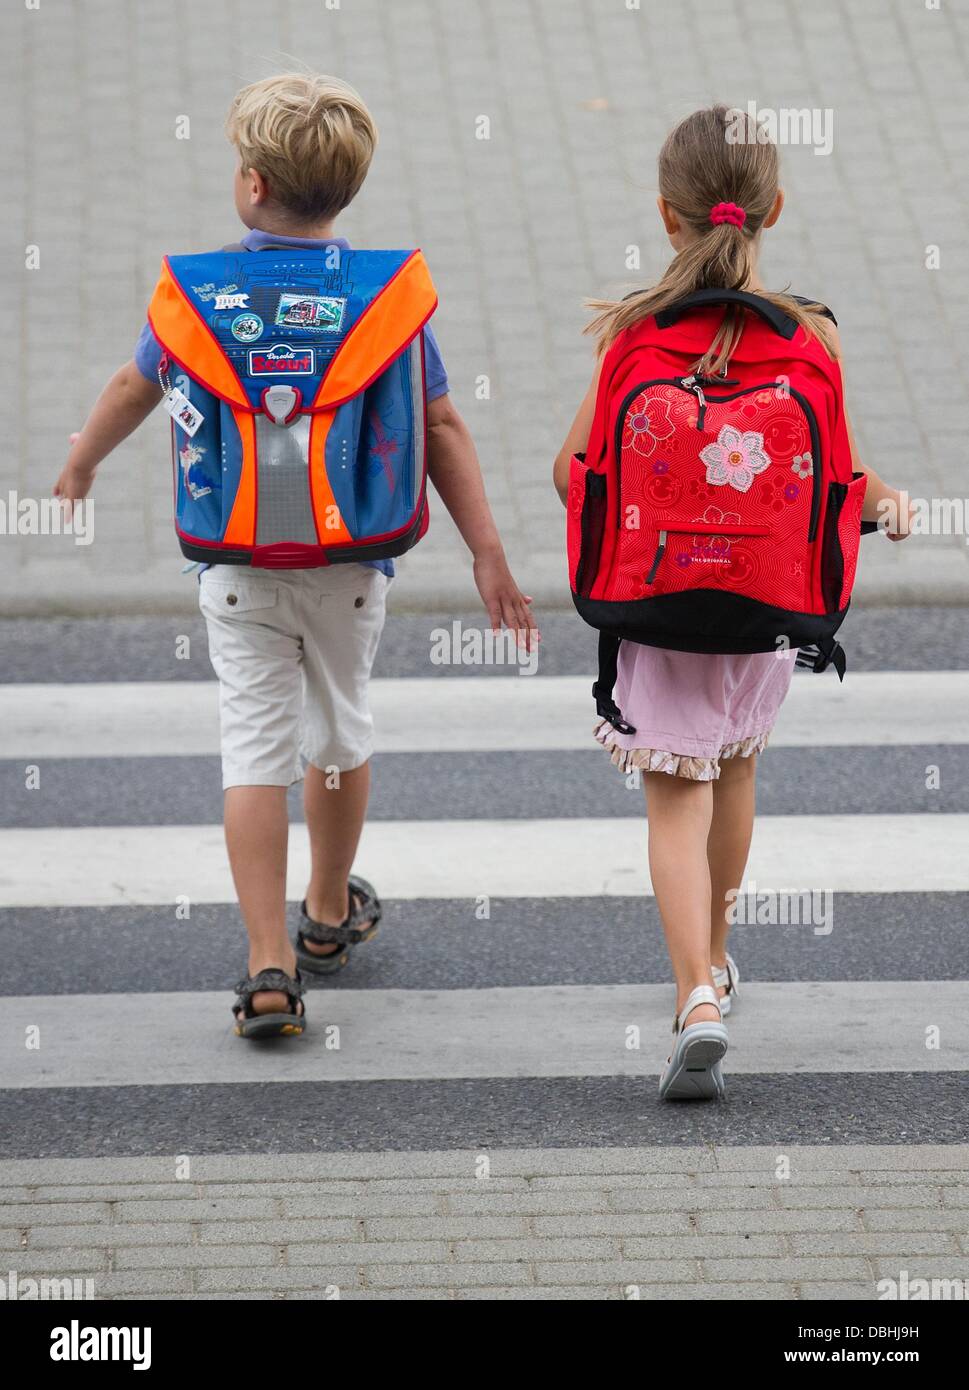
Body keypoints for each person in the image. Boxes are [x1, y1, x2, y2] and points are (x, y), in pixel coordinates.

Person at [55, 72, 536, 1038]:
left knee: (253, 752)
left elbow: (132, 385)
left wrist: (78, 464)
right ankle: (325, 915)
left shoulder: (200, 295)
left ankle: (268, 963)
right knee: (340, 729)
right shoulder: (387, 300)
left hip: (235, 566)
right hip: (351, 564)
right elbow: (439, 424)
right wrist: (488, 550)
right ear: (347, 192)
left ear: (252, 189)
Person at [554, 105, 911, 1098]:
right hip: (765, 615)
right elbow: (846, 480)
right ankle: (715, 953)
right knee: (737, 775)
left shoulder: (633, 332)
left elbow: (569, 468)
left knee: (675, 800)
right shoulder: (814, 335)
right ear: (775, 211)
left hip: (660, 610)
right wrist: (894, 507)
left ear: (666, 218)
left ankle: (693, 999)